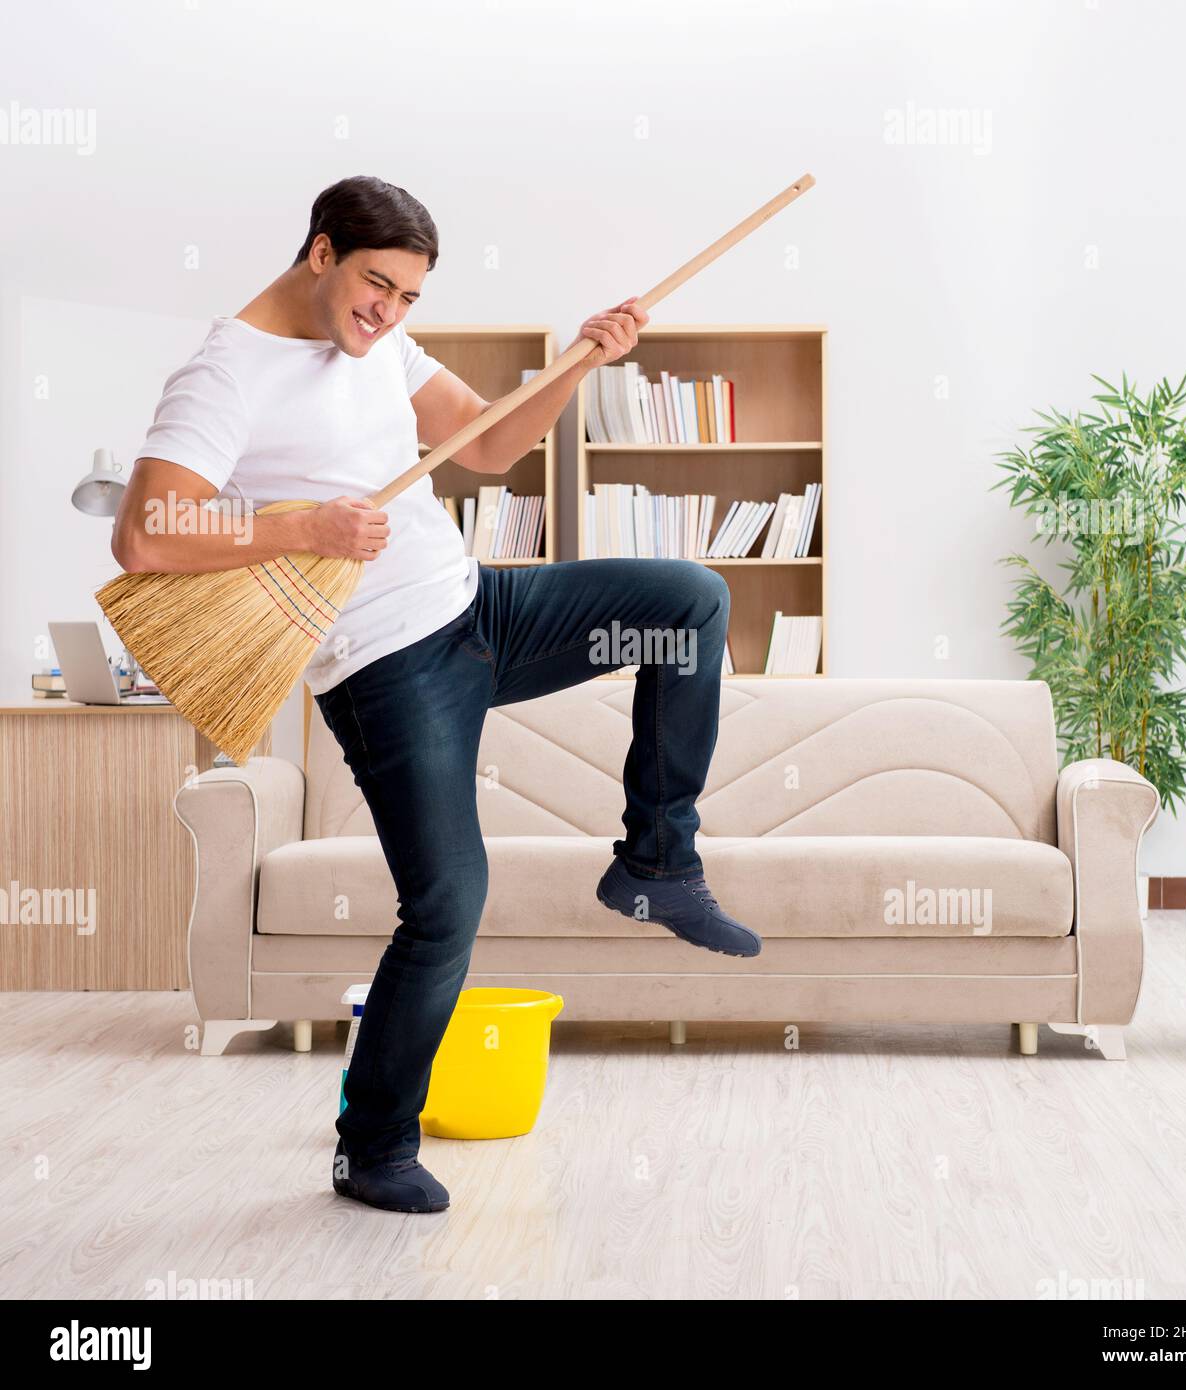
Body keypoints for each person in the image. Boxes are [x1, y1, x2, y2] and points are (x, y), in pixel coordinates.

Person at [110, 175, 761, 1214]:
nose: (389, 311)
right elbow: (146, 532)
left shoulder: (382, 345)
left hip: (477, 611)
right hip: (386, 667)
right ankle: (371, 1148)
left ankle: (655, 862)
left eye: (409, 296)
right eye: (377, 284)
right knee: (449, 902)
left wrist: (578, 364)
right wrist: (303, 527)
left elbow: (491, 446)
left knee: (689, 600)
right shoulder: (226, 371)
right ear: (320, 252)